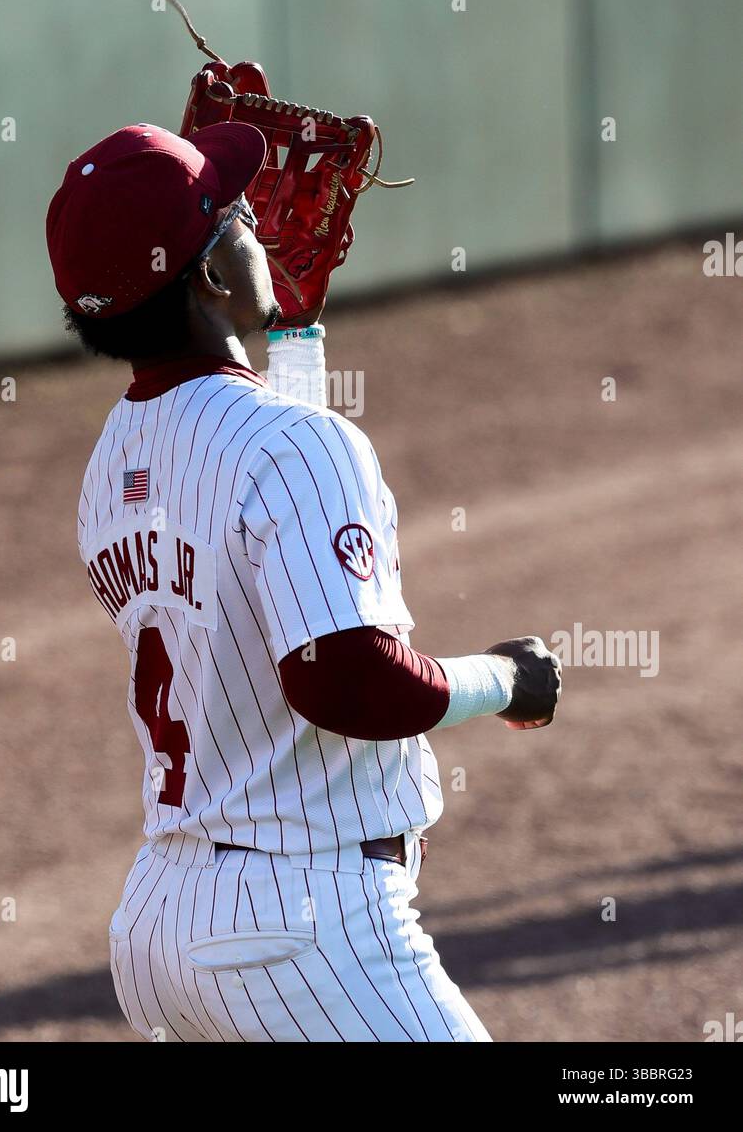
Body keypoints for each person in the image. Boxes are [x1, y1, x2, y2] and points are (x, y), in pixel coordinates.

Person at [46, 119, 562, 1043]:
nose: (263, 226)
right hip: (300, 928)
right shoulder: (295, 448)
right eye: (238, 214)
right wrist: (505, 679)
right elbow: (345, 678)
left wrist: (297, 335)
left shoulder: (108, 468)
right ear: (208, 277)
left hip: (165, 925)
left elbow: (277, 522)